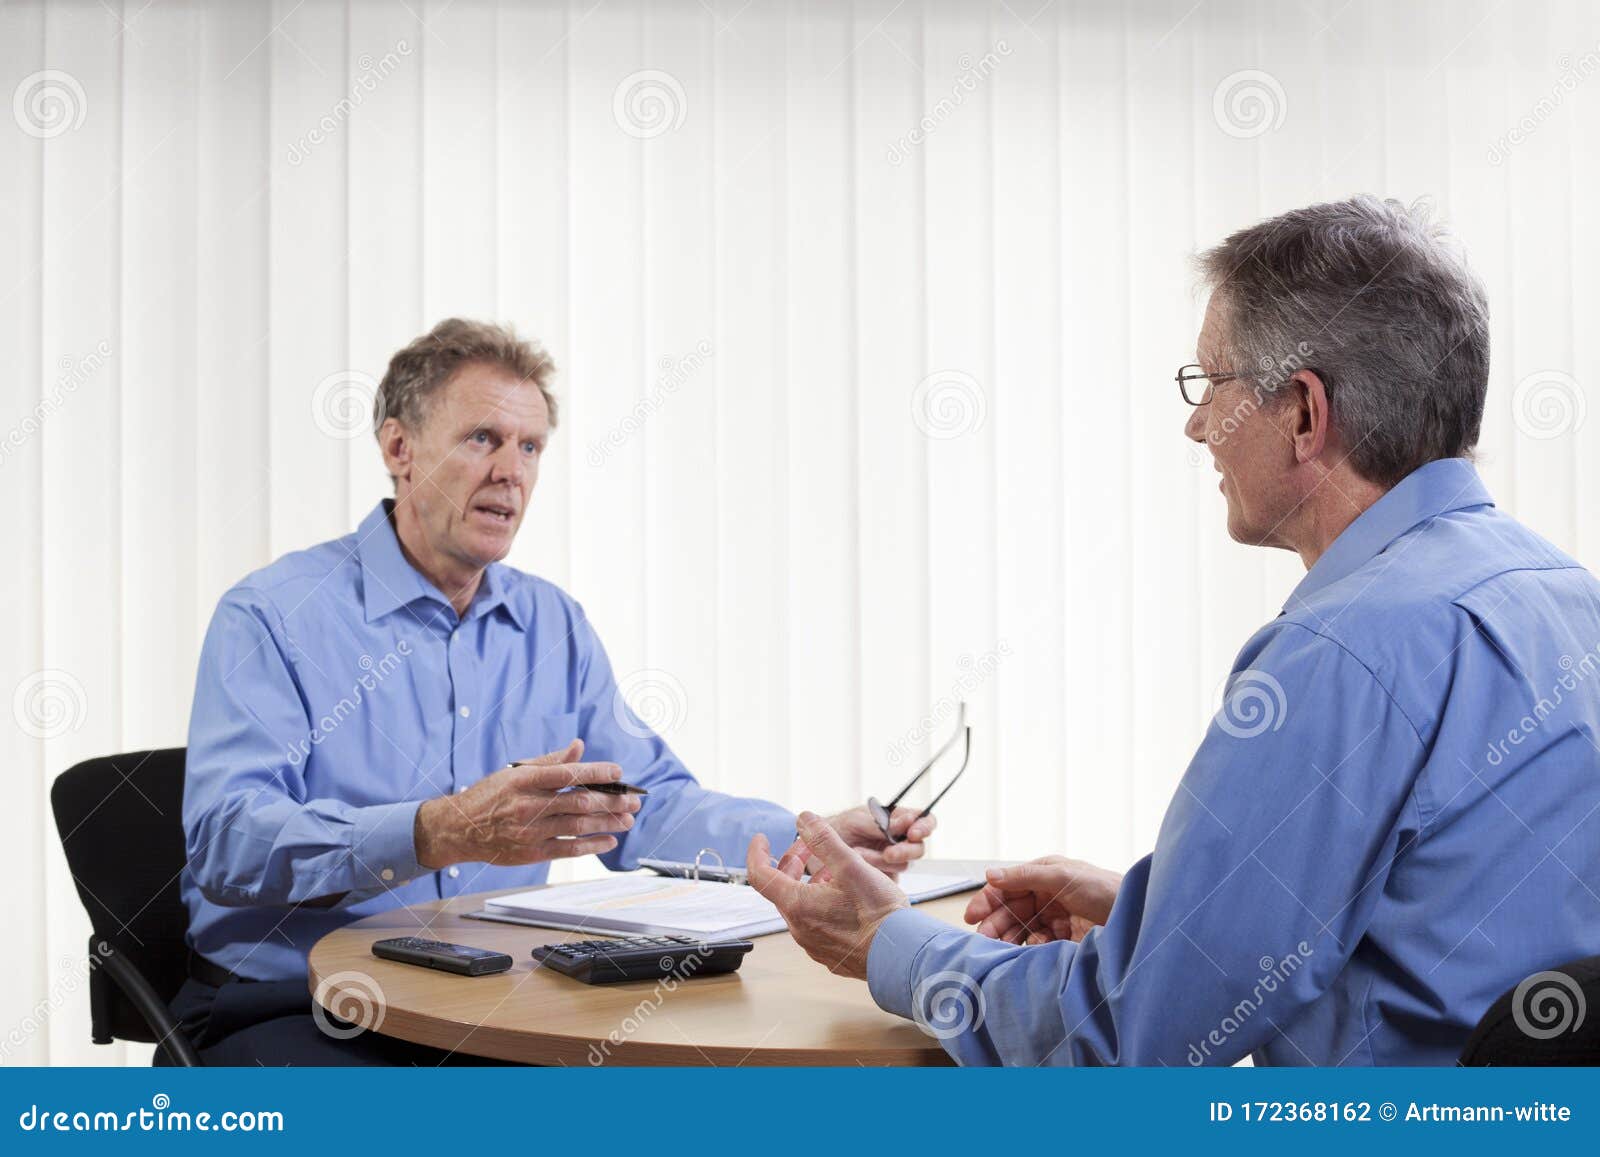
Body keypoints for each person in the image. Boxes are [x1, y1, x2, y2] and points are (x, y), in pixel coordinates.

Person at [750, 195, 1600, 1066]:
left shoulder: (1342, 652)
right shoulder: (1568, 598)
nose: (1197, 425)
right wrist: (1159, 918)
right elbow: (1445, 934)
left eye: (1211, 384)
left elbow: (1132, 1036)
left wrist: (890, 942)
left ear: (1305, 413)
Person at [175, 319, 935, 1065]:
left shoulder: (550, 623)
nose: (511, 471)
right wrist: (439, 830)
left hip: (488, 1003)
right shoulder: (274, 615)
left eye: (530, 447)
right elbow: (228, 839)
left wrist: (810, 840)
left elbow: (649, 805)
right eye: (483, 438)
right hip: (300, 1003)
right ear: (399, 448)